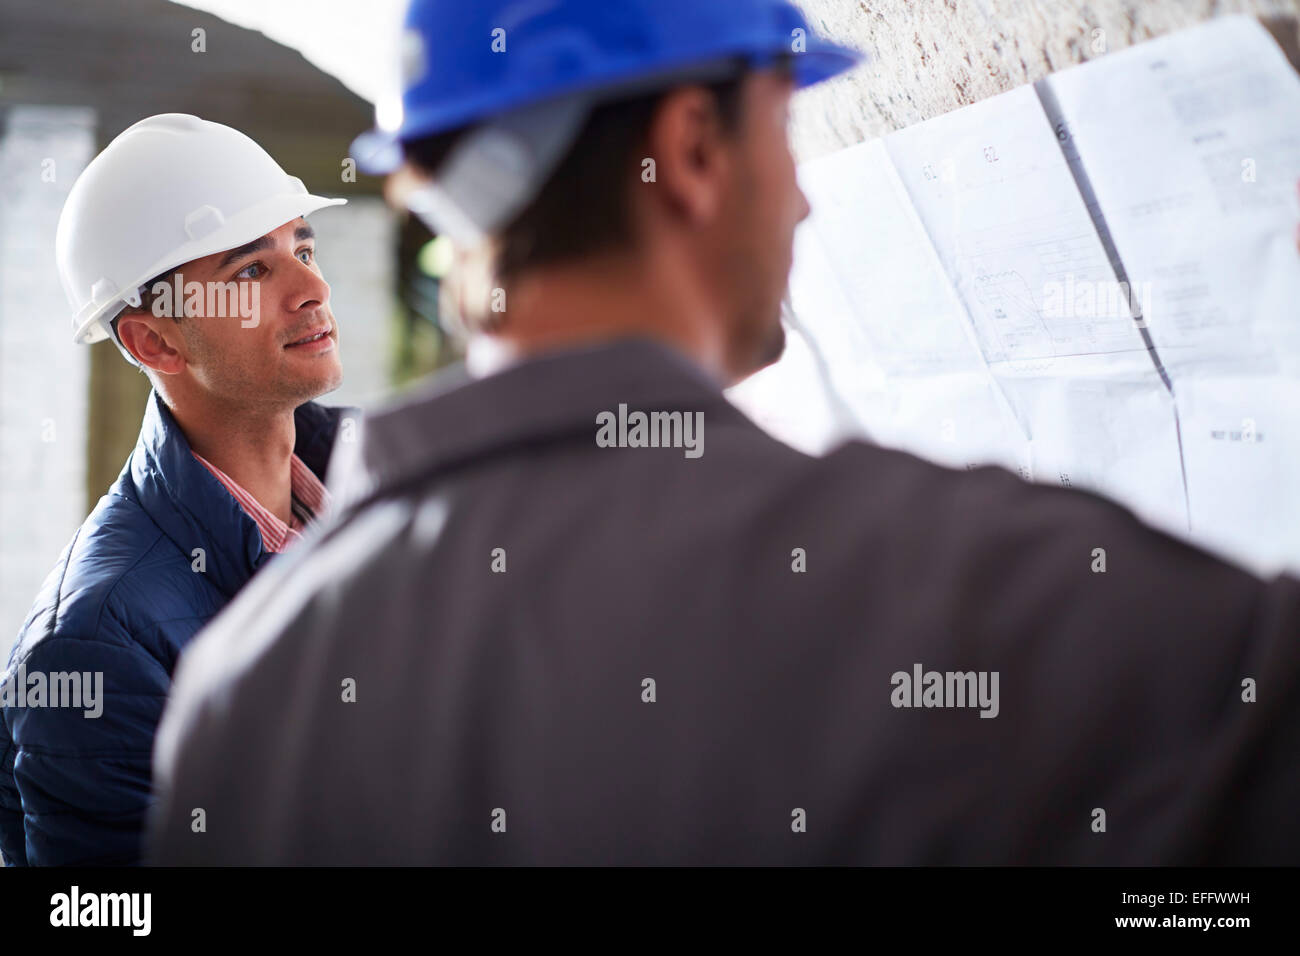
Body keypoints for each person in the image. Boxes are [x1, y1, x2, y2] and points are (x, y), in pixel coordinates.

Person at [149, 1, 1300, 864]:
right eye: (782, 128)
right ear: (693, 148)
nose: (799, 198)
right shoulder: (959, 585)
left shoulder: (242, 691)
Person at [0, 114, 350, 866]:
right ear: (155, 340)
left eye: (304, 248)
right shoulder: (95, 647)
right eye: (252, 272)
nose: (313, 288)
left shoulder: (392, 489)